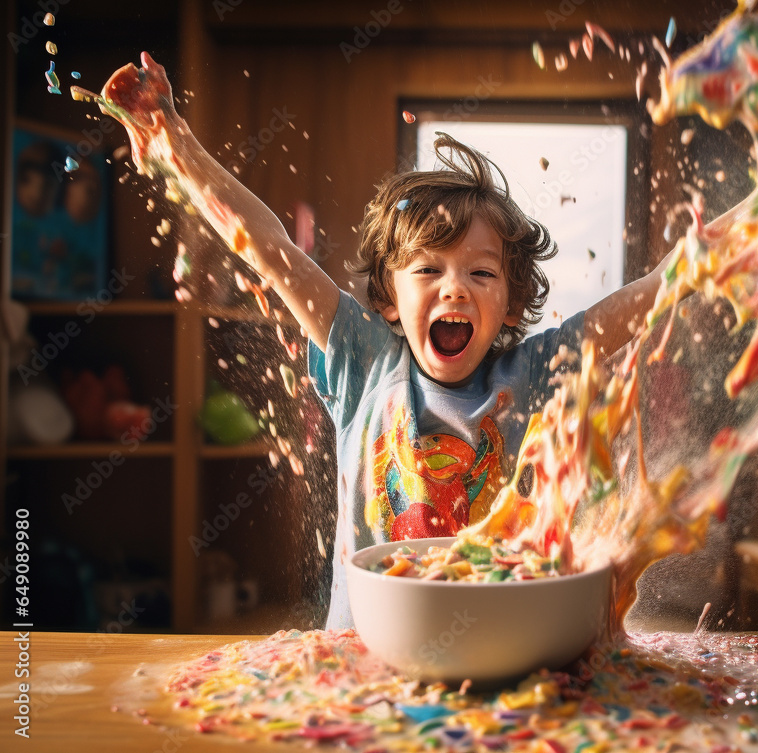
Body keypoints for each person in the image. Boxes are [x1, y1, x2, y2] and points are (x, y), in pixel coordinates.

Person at [98, 53, 671, 628]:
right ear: (389, 298)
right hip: (363, 664)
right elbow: (269, 249)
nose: (456, 290)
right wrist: (179, 148)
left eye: (482, 273)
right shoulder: (364, 360)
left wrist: (726, 242)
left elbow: (646, 295)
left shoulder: (539, 371)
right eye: (428, 270)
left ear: (512, 303)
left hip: (499, 659)